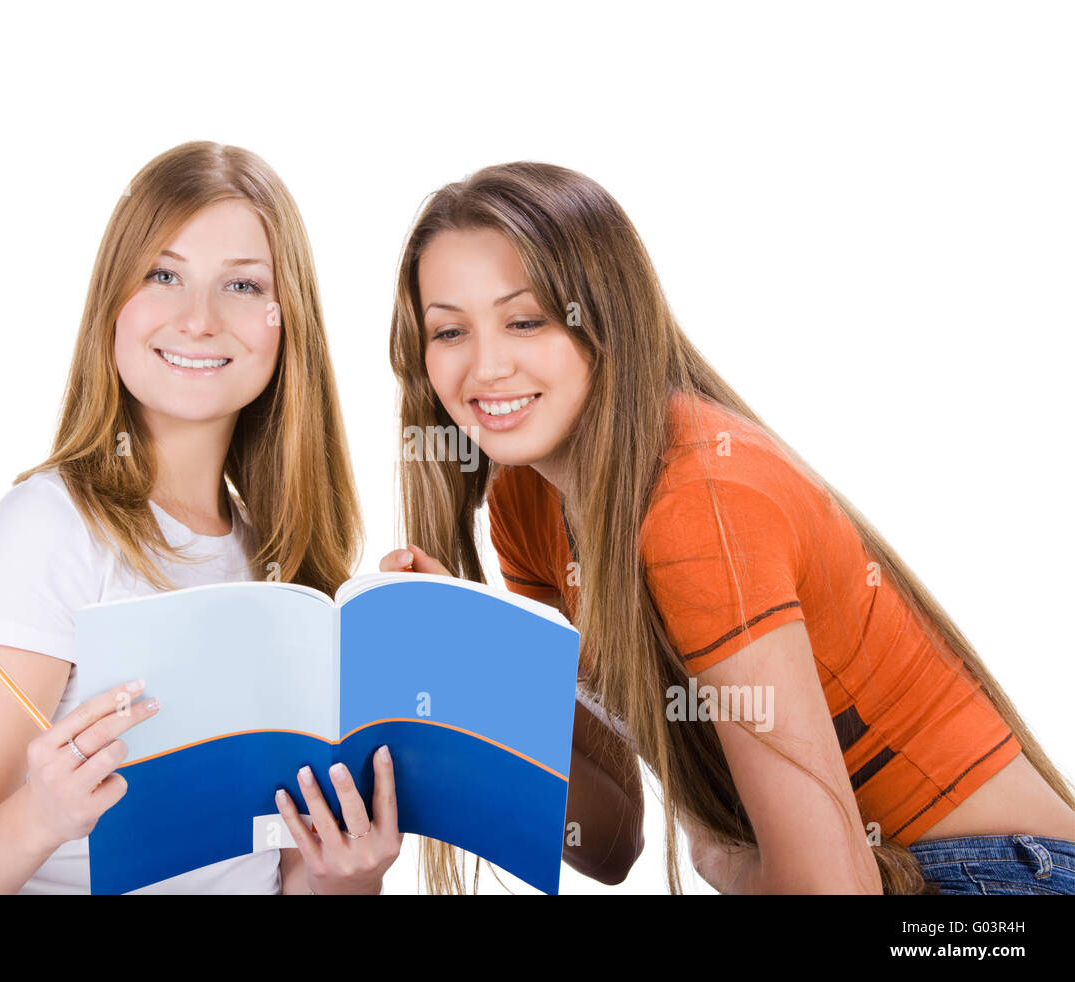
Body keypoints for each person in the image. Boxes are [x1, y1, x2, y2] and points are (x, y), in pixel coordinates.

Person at [381, 160, 1075, 894]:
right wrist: (480, 665)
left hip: (1000, 880)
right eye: (450, 330)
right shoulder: (526, 503)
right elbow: (610, 837)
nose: (485, 367)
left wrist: (732, 865)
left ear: (606, 316)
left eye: (526, 320)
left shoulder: (697, 505)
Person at [0, 141, 401, 895]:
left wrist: (349, 875)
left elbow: (288, 878)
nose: (199, 319)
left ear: (284, 319)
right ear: (114, 299)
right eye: (164, 275)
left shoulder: (285, 560)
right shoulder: (49, 530)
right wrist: (40, 814)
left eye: (242, 284)